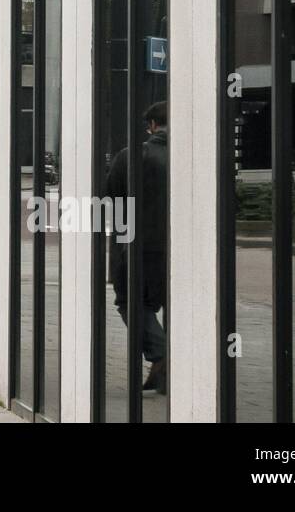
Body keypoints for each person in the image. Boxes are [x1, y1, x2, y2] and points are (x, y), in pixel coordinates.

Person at [105, 100, 168, 394]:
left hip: (138, 248)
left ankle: (163, 354)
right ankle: (162, 369)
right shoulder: (196, 156)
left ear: (152, 125)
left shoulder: (131, 156)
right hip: (180, 248)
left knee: (131, 303)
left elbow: (110, 202)